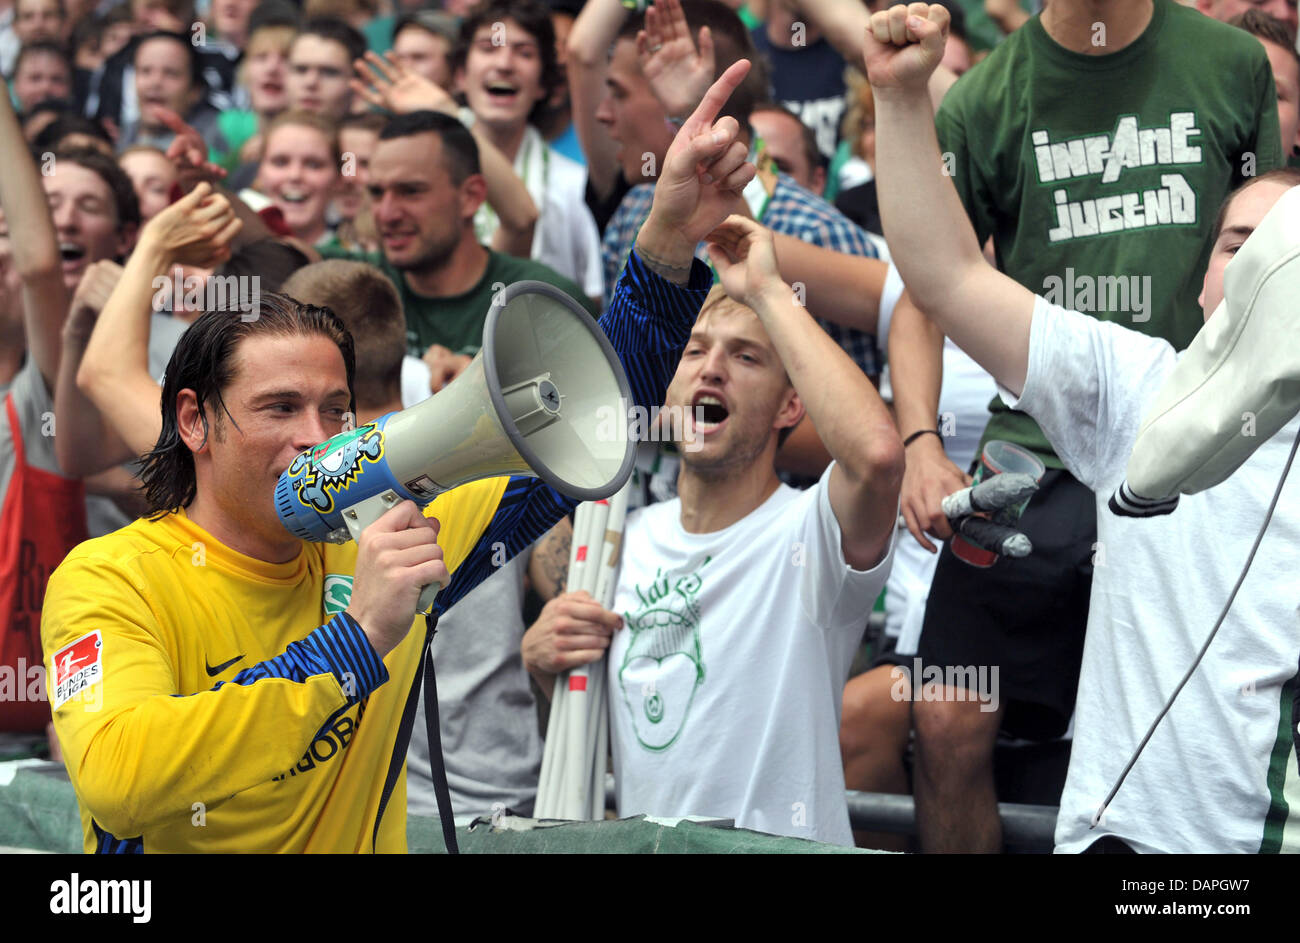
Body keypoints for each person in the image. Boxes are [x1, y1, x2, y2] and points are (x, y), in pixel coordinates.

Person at [40, 61, 761, 853]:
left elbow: (593, 408)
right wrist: (357, 636)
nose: (318, 438)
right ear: (194, 420)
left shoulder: (383, 532)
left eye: (336, 410)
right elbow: (120, 775)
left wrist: (665, 240)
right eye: (279, 409)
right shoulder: (110, 577)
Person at [866, 1, 1300, 854]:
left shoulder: (1225, 64)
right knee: (950, 708)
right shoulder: (1133, 386)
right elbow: (944, 275)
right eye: (1230, 246)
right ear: (1201, 277)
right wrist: (900, 102)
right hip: (1113, 852)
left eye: (1274, 256)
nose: (1250, 270)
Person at [523, 211, 902, 846]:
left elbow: (878, 456)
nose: (711, 369)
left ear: (790, 405)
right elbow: (618, 752)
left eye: (745, 356)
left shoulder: (810, 531)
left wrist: (768, 292)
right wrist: (544, 672)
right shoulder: (618, 540)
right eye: (693, 350)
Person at [454, 0, 604, 302]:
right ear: (460, 74)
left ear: (543, 85)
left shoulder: (574, 185)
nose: (504, 64)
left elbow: (594, 303)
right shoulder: (427, 180)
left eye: (524, 53)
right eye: (488, 48)